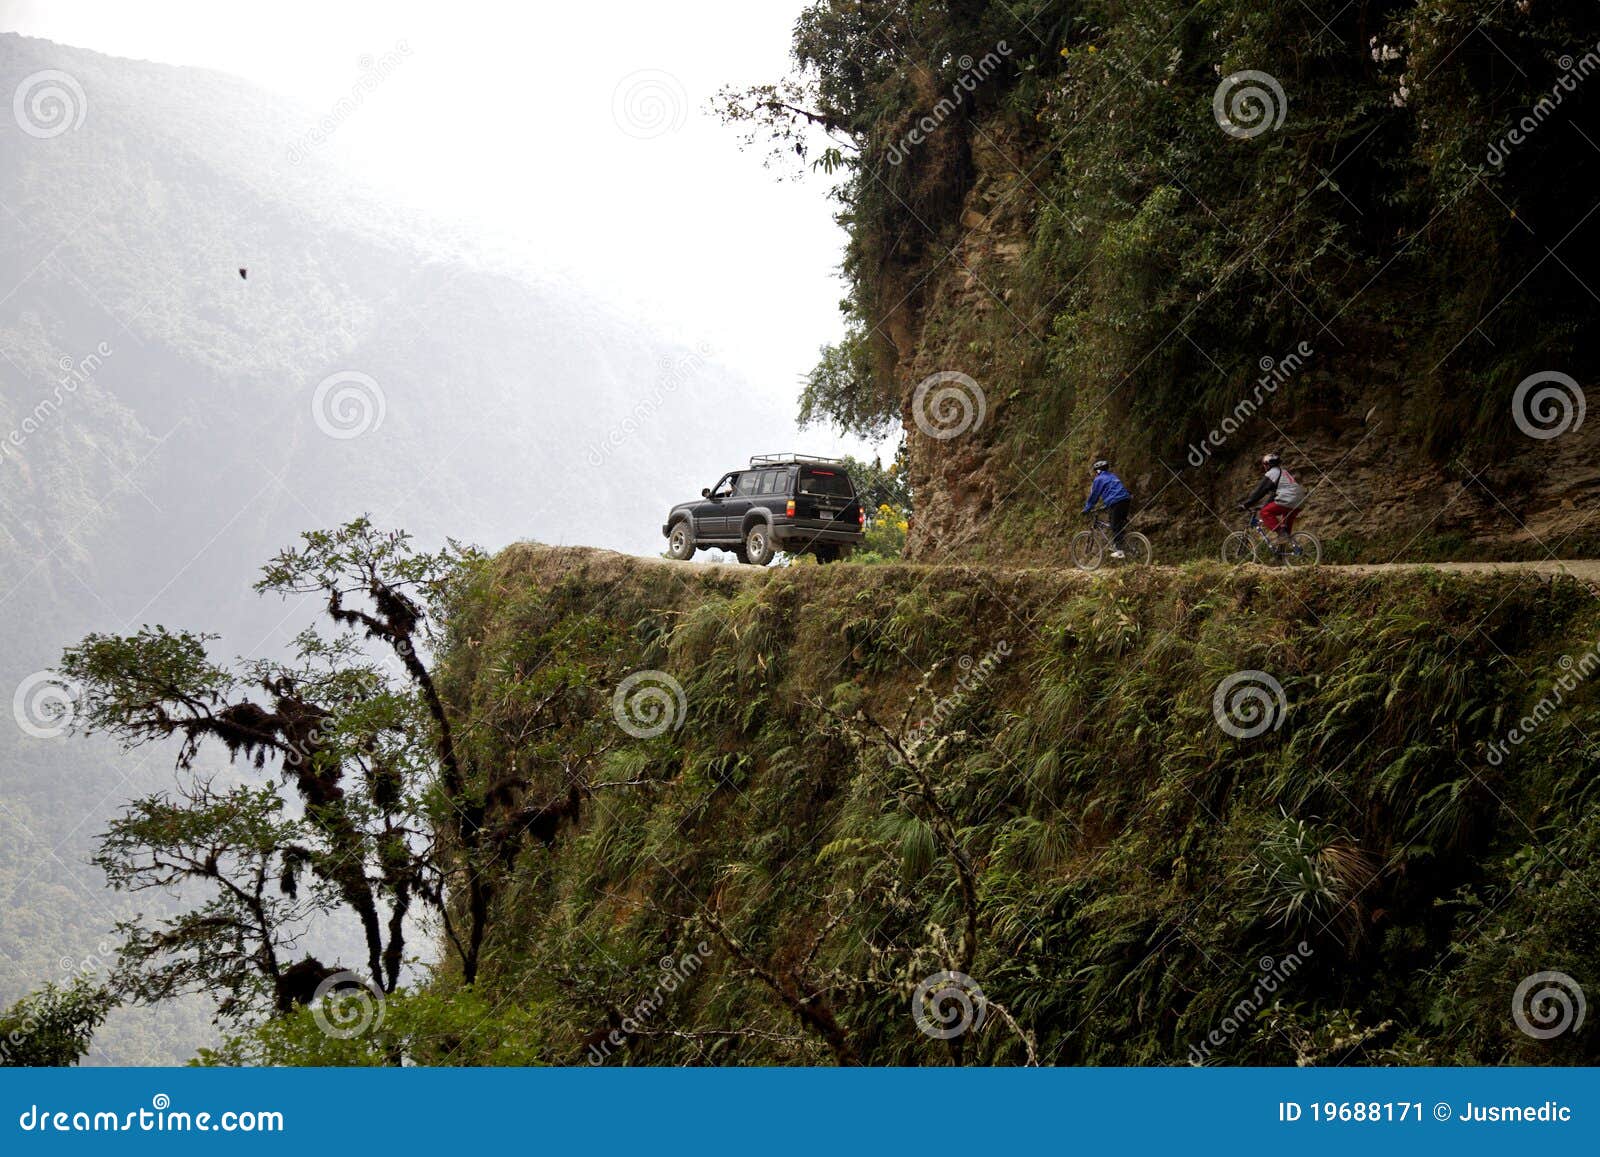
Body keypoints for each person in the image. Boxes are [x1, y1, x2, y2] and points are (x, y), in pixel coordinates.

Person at [1238, 452, 1306, 543]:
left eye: (1264, 465)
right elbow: (1274, 495)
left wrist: (1245, 504)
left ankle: (1282, 534)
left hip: (1289, 499)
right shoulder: (1283, 472)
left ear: (1267, 464)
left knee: (1265, 512)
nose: (1264, 467)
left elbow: (1259, 492)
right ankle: (1281, 553)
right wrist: (1264, 505)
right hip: (1300, 501)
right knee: (1285, 530)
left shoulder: (1272, 473)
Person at [1082, 458, 1132, 558]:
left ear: (1098, 470)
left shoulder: (1099, 479)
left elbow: (1094, 496)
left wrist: (1087, 508)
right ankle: (1123, 544)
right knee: (1118, 523)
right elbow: (1115, 491)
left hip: (1116, 502)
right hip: (1126, 500)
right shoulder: (1112, 476)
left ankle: (1119, 551)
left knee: (1114, 526)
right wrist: (1106, 505)